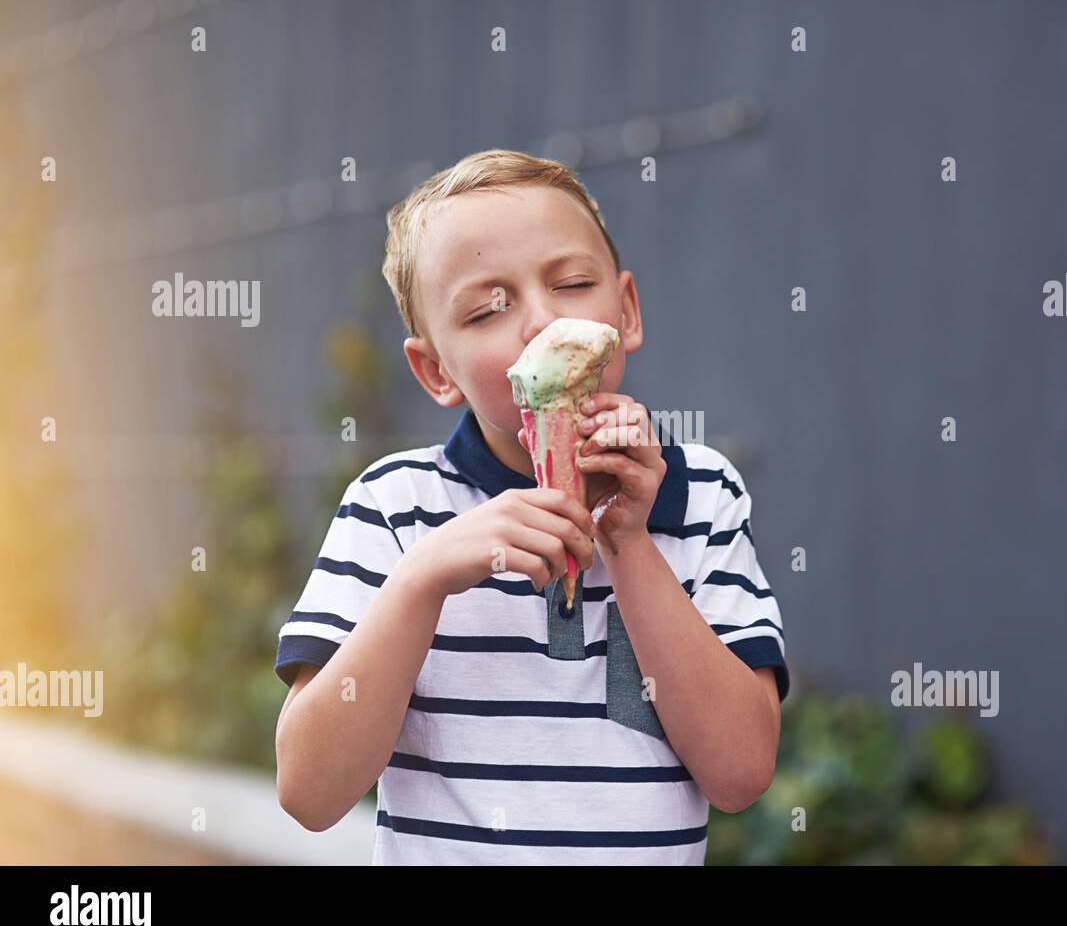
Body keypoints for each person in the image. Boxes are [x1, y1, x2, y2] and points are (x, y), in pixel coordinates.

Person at [274, 149, 789, 864]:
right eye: (489, 307)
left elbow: (740, 772)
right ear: (435, 371)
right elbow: (309, 790)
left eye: (573, 283)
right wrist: (422, 579)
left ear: (628, 311)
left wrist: (632, 543)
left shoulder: (701, 493)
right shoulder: (393, 509)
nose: (543, 322)